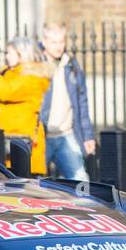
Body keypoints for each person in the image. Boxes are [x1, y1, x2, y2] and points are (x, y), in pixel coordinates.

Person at [0, 37, 53, 175]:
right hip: (3, 141)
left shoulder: (34, 77)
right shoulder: (8, 73)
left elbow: (6, 92)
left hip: (21, 144)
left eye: (10, 53)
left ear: (22, 54)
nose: (6, 56)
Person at [38, 23, 96, 180]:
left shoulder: (71, 65)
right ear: (44, 41)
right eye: (54, 42)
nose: (58, 47)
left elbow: (82, 103)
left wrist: (88, 136)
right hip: (41, 137)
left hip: (66, 135)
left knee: (81, 181)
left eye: (61, 42)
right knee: (33, 184)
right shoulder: (36, 64)